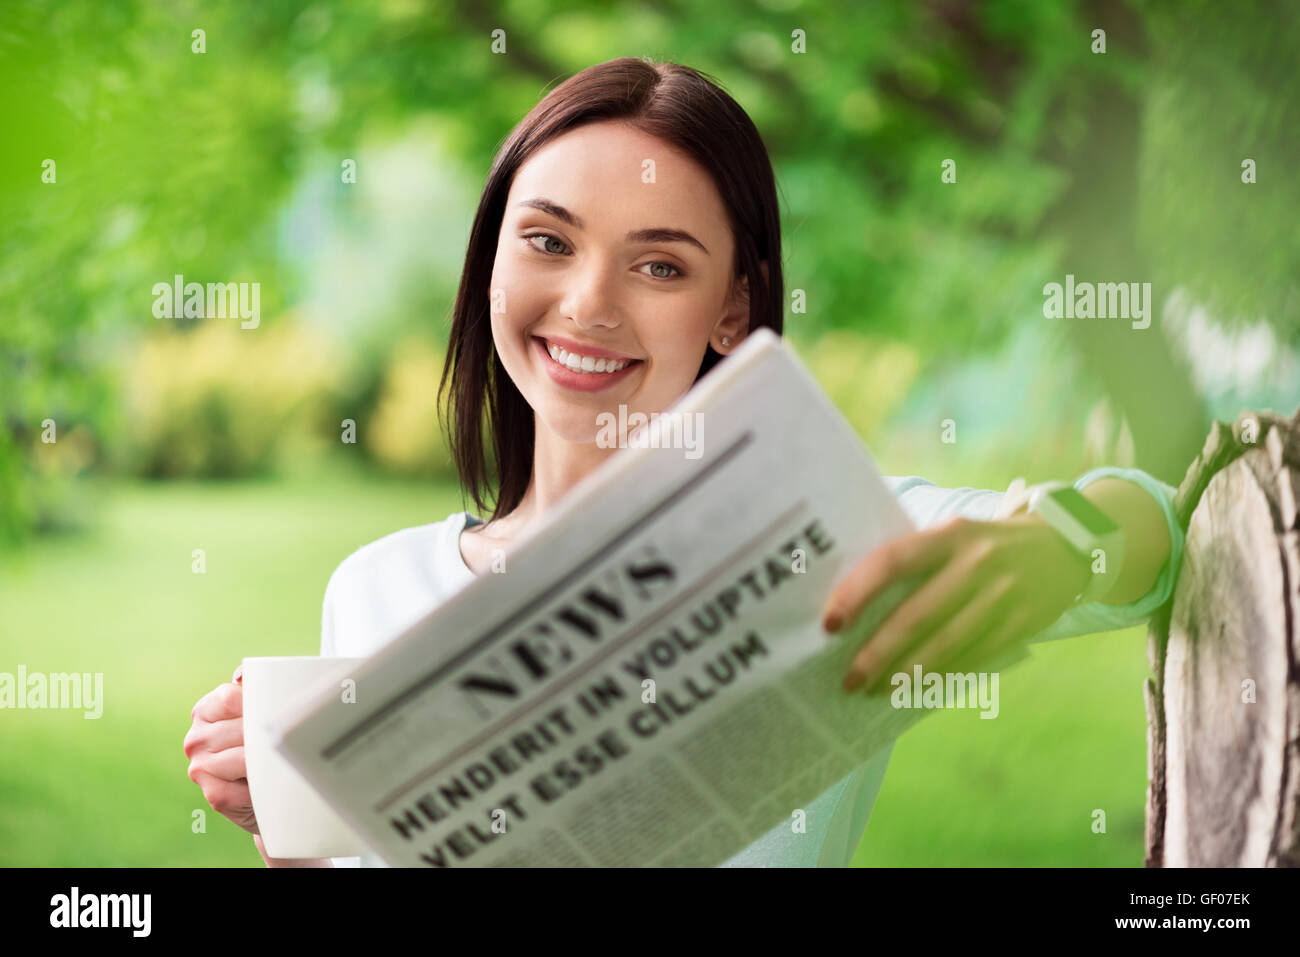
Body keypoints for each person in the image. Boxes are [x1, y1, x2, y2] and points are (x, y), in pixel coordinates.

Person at [184, 56, 1184, 868]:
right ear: (492, 255)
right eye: (546, 241)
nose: (587, 303)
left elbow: (1160, 527)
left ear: (733, 308)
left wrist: (1056, 545)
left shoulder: (824, 537)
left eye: (659, 265)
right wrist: (301, 828)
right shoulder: (371, 587)